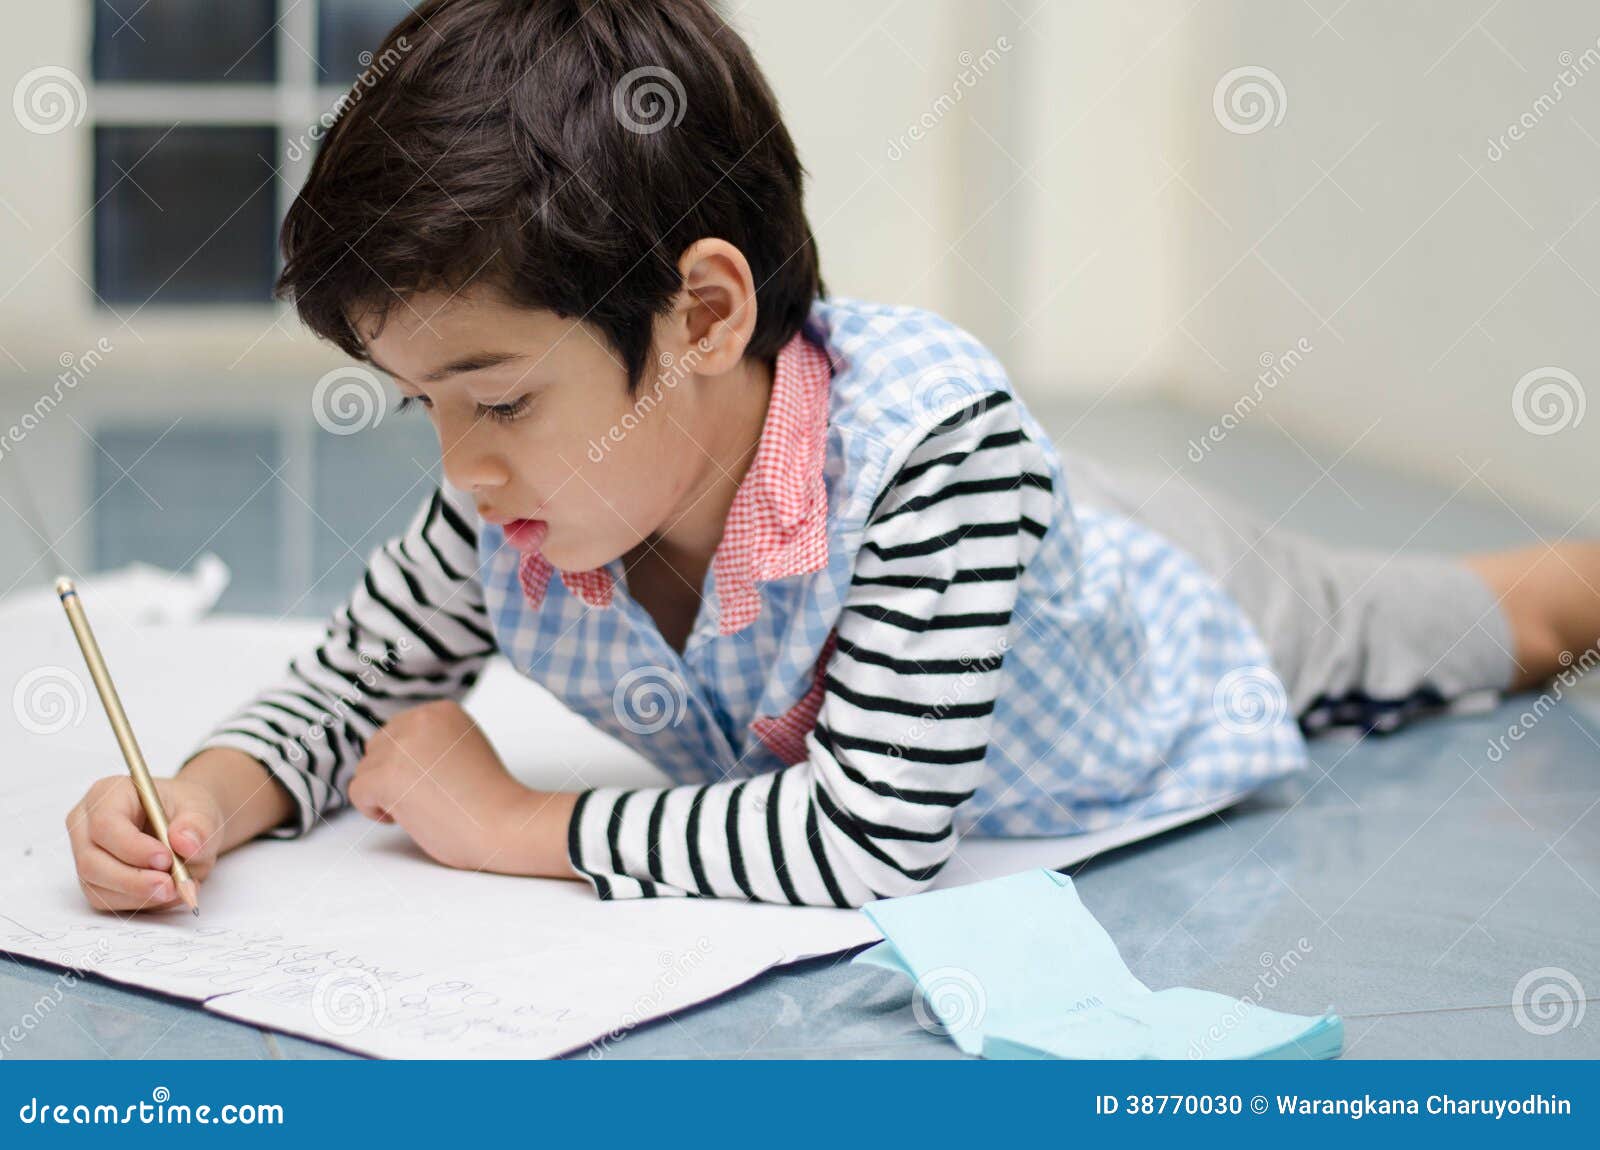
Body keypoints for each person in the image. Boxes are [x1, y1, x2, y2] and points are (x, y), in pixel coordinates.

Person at [64, 0, 1600, 912]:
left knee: (1520, 620)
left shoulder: (935, 455)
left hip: (1184, 604)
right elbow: (347, 692)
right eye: (425, 407)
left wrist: (515, 825)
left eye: (502, 400)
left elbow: (870, 838)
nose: (463, 467)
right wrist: (197, 798)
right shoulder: (507, 508)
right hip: (998, 564)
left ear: (704, 313)